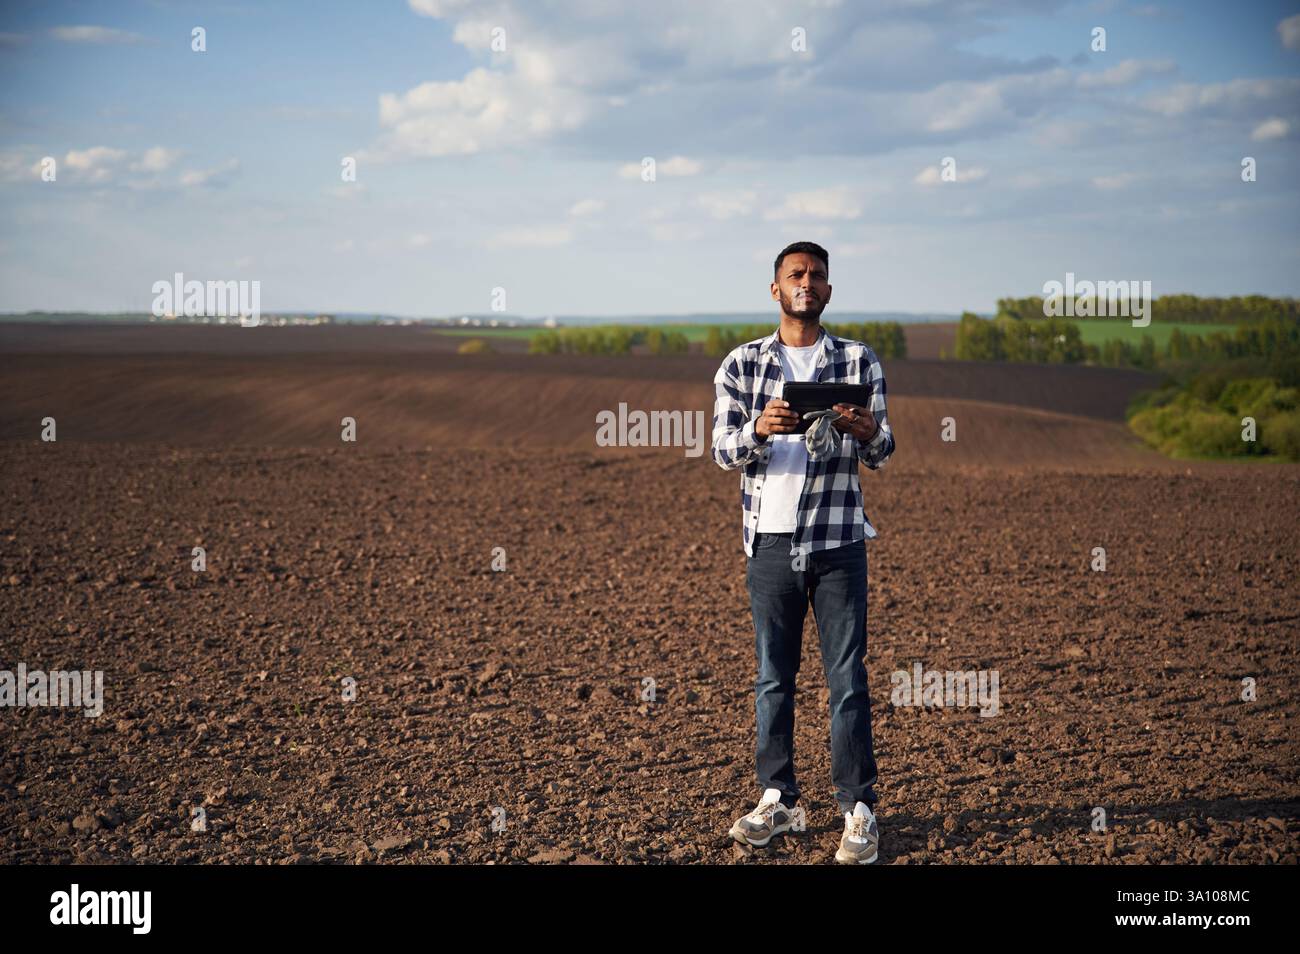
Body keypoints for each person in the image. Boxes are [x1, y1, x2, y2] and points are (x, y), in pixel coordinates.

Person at [710, 241, 894, 864]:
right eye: (795, 275)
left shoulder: (858, 360)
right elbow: (722, 451)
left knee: (847, 681)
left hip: (840, 541)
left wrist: (869, 432)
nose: (805, 283)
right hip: (769, 541)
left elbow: (883, 446)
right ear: (775, 290)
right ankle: (778, 799)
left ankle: (858, 811)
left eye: (816, 275)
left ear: (828, 290)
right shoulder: (740, 365)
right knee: (773, 680)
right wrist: (759, 429)